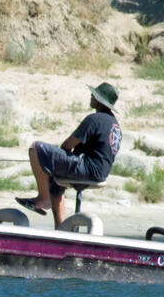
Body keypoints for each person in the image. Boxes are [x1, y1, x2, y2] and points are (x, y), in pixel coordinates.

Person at [16, 81, 121, 227]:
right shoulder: (114, 124)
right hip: (100, 173)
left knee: (35, 148)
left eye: (94, 95)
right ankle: (61, 229)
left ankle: (43, 198)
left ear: (99, 101)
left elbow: (67, 145)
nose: (91, 95)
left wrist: (56, 159)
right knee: (54, 178)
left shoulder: (95, 119)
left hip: (87, 168)